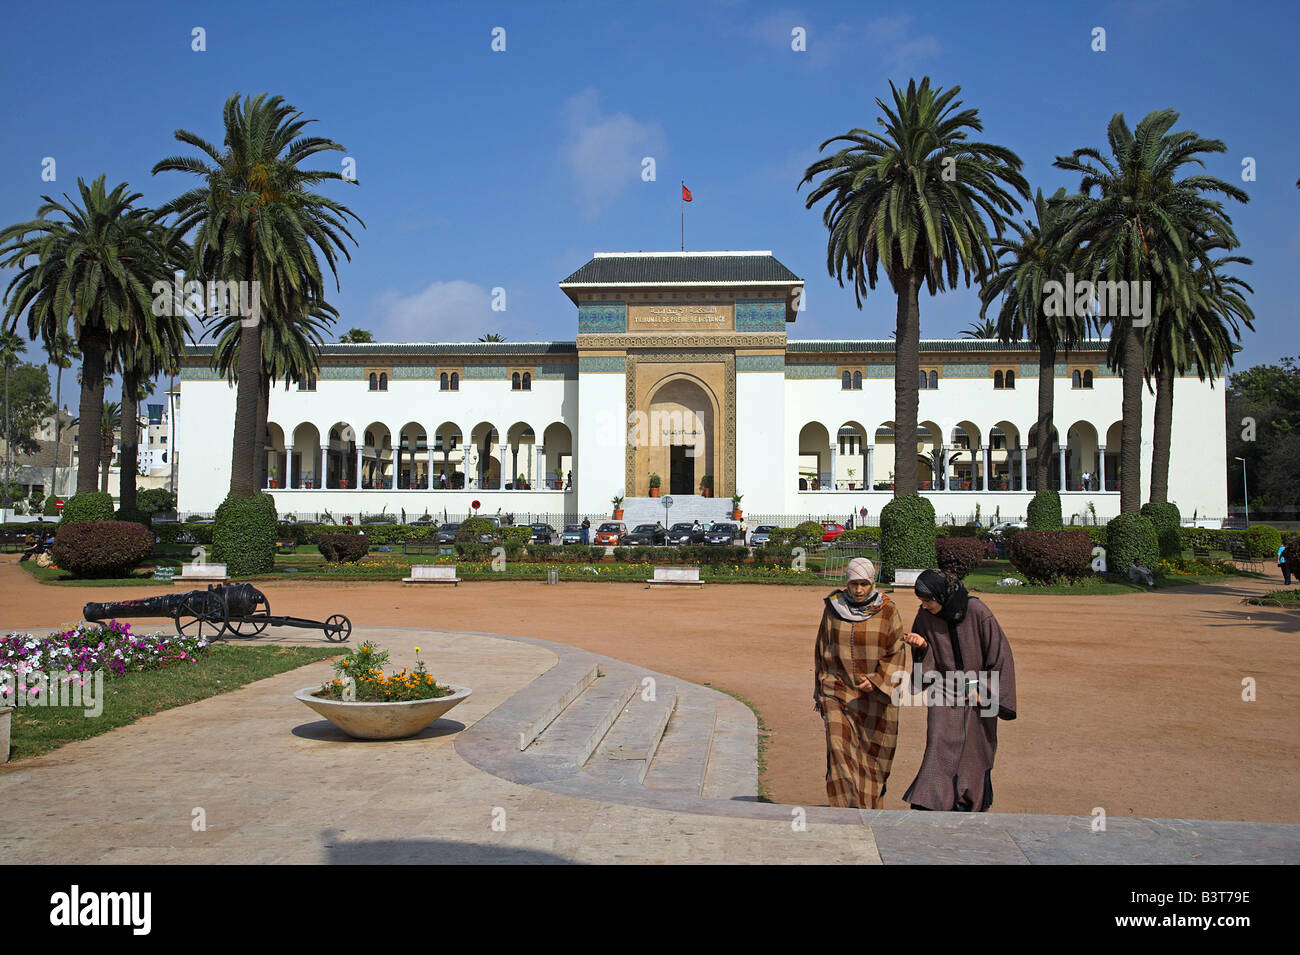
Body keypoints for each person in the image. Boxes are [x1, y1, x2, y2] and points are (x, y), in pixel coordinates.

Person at [902, 569, 1017, 812]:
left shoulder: (977, 611)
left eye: (928, 600)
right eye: (921, 601)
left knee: (976, 748)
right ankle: (931, 801)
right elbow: (926, 661)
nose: (924, 606)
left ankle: (968, 800)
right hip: (943, 690)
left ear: (943, 595)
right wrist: (922, 647)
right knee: (938, 743)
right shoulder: (924, 617)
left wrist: (984, 691)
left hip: (981, 693)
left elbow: (1000, 657)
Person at [813, 557, 911, 809]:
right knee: (839, 752)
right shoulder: (834, 608)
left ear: (872, 583)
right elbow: (822, 647)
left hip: (875, 699)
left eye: (864, 584)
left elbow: (896, 650)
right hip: (837, 691)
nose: (858, 590)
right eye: (854, 584)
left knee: (871, 759)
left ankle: (868, 808)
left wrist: (878, 681)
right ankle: (844, 813)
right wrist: (822, 685)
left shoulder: (887, 611)